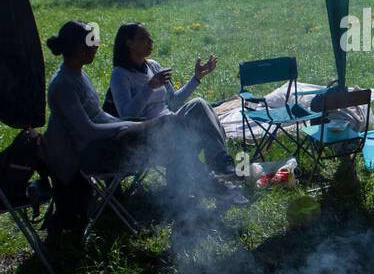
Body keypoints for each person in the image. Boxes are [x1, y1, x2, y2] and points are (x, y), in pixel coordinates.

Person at [42, 22, 245, 208]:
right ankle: (212, 186)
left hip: (115, 139)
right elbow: (87, 130)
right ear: (79, 48)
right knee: (175, 132)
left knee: (190, 113)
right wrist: (132, 124)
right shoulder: (64, 85)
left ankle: (217, 173)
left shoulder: (79, 74)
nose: (96, 47)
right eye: (91, 43)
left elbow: (102, 116)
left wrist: (196, 78)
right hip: (91, 154)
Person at [107, 23, 236, 179]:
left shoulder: (153, 66)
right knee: (183, 126)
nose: (150, 42)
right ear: (129, 43)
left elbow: (174, 101)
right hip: (147, 133)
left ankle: (221, 163)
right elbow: (126, 114)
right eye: (144, 39)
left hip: (171, 124)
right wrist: (149, 87)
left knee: (199, 104)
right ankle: (211, 181)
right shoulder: (120, 75)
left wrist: (196, 78)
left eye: (150, 38)